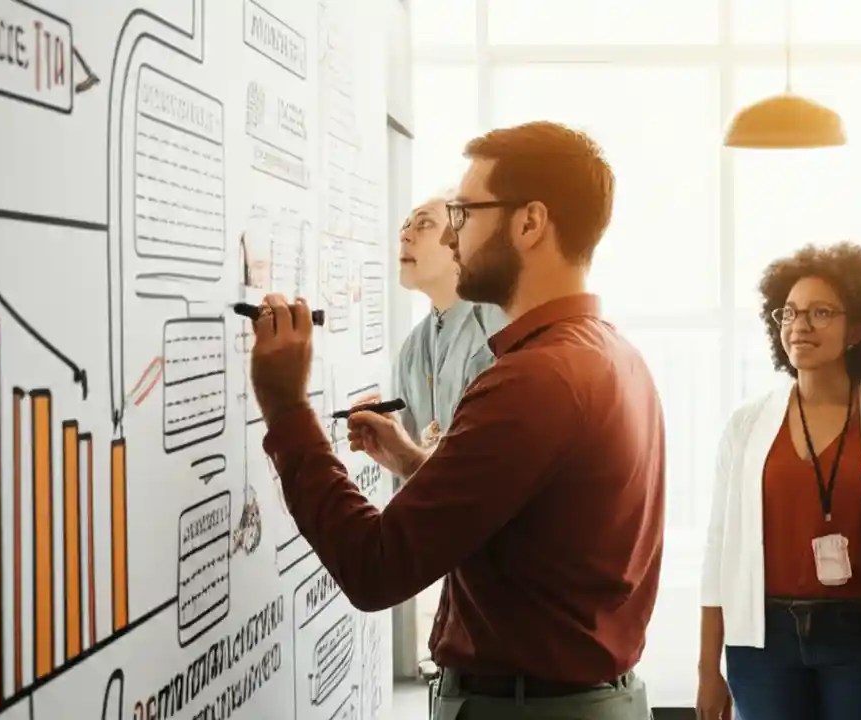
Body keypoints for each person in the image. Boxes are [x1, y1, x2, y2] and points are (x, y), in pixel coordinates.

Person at [247, 120, 664, 720]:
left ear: (529, 223)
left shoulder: (535, 380)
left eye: (464, 214)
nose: (450, 238)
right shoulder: (609, 353)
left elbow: (375, 567)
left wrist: (286, 407)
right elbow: (532, 528)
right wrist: (414, 463)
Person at [697, 242, 861, 720]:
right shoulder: (745, 426)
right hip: (762, 641)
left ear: (859, 329)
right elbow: (718, 553)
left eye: (820, 312)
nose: (799, 325)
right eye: (788, 312)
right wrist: (708, 669)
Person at [391, 193, 507, 449]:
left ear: (460, 245)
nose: (405, 236)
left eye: (424, 224)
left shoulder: (498, 335)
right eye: (406, 226)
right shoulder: (410, 351)